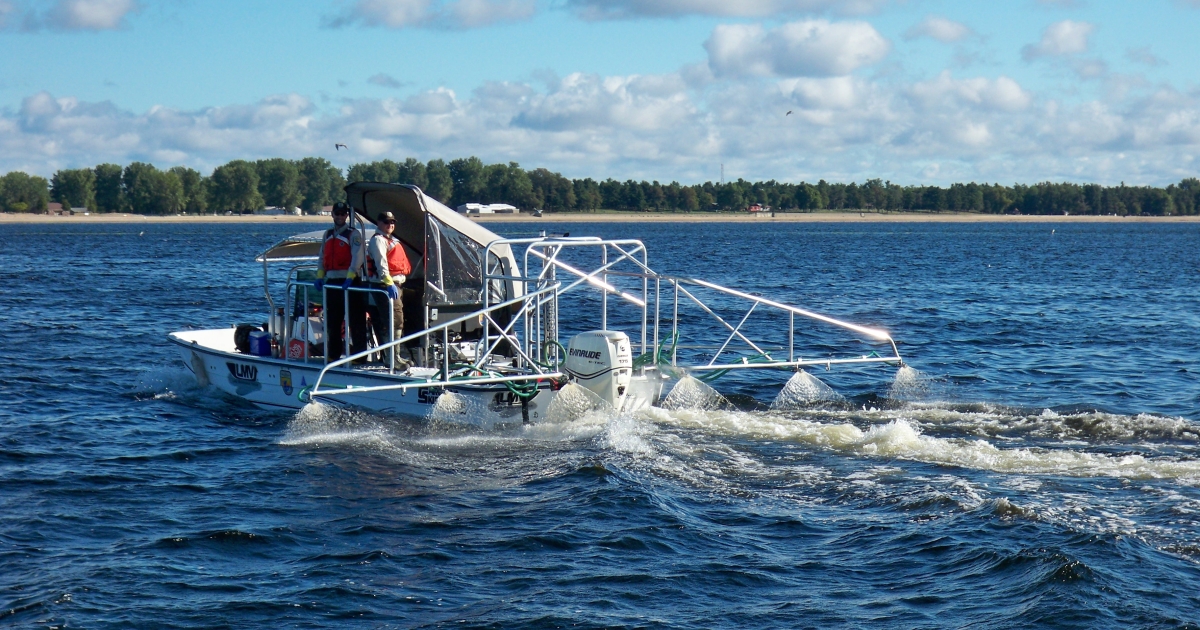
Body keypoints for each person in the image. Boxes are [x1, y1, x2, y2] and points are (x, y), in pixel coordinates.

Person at [314, 202, 367, 362]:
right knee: (333, 322)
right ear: (333, 215)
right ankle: (333, 355)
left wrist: (350, 277)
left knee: (356, 320)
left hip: (350, 282)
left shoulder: (353, 234)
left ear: (346, 216)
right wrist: (319, 276)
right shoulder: (328, 234)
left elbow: (357, 257)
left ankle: (359, 356)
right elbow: (322, 257)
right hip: (332, 282)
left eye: (343, 214)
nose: (340, 216)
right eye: (337, 213)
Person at [366, 211, 412, 366]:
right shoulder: (378, 240)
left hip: (395, 285)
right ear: (378, 223)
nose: (390, 225)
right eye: (386, 222)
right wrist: (389, 283)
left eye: (392, 222)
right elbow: (381, 265)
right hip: (385, 286)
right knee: (393, 321)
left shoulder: (391, 240)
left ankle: (394, 356)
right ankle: (392, 358)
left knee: (396, 321)